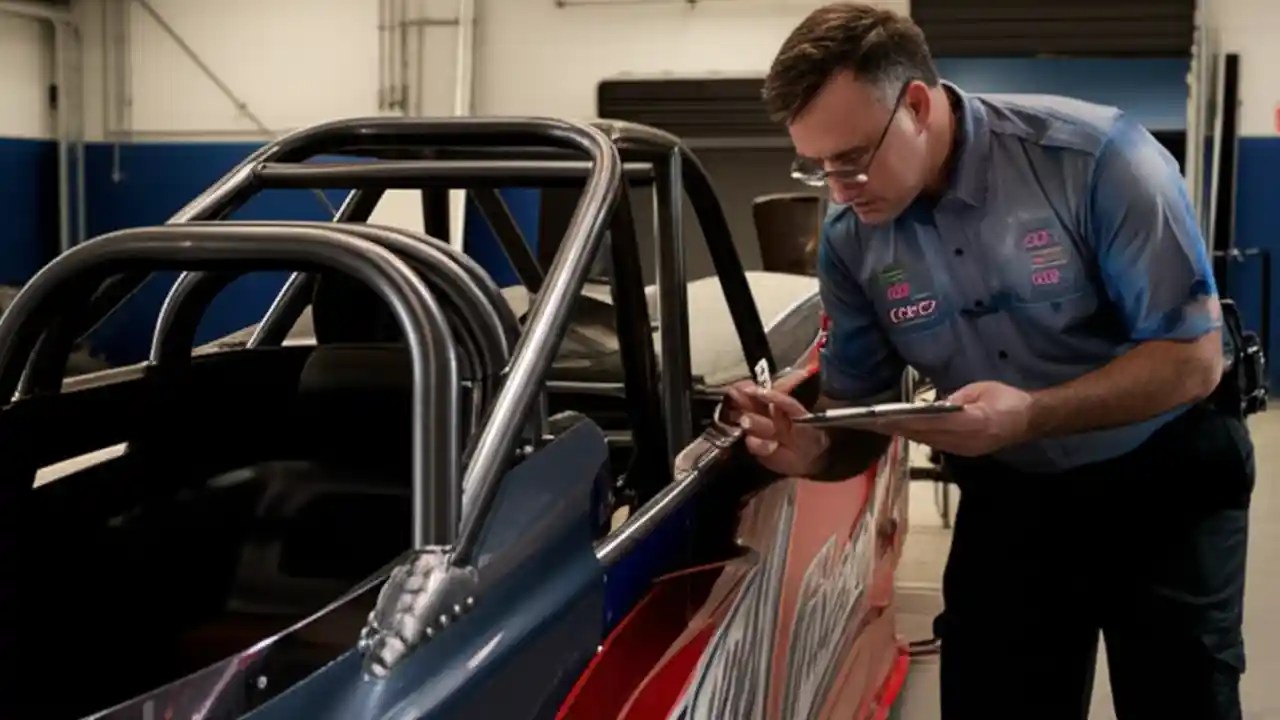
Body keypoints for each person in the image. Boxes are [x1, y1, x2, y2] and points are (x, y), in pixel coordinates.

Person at [724, 3, 1256, 718]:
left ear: (915, 104)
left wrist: (1033, 413)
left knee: (1180, 695)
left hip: (1165, 472)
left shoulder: (1096, 160)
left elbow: (1192, 362)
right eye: (817, 166)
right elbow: (860, 410)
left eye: (850, 159)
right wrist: (808, 446)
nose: (838, 188)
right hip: (1017, 495)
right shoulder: (853, 236)